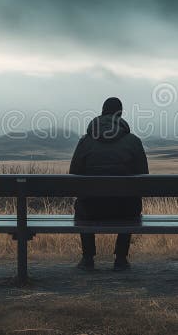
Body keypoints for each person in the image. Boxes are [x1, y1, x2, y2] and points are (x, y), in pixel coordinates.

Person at [69, 97, 149, 271]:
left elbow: (73, 175)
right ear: (120, 114)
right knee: (131, 201)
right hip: (125, 210)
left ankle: (87, 257)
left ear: (102, 112)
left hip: (90, 210)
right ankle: (120, 258)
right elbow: (144, 177)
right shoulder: (133, 141)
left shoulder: (85, 141)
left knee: (83, 202)